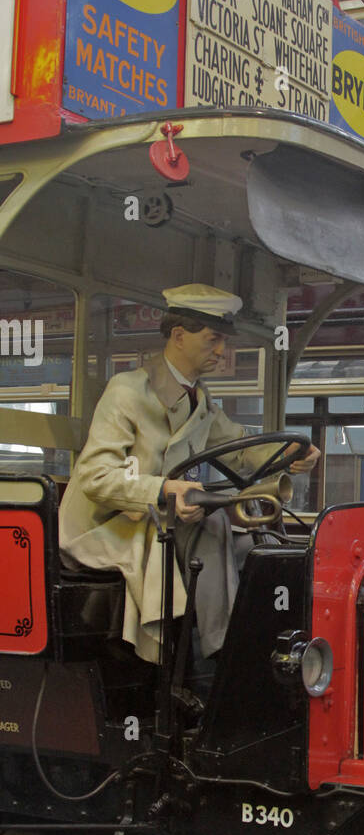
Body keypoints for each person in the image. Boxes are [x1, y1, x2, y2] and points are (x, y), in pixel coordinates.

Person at [59, 284, 319, 665]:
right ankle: (224, 658)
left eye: (222, 341)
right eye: (213, 339)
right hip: (106, 529)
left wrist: (290, 455)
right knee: (210, 528)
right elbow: (96, 478)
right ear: (178, 337)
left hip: (156, 523)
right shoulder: (128, 391)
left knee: (255, 544)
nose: (221, 351)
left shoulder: (201, 400)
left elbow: (240, 448)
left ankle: (263, 648)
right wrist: (165, 489)